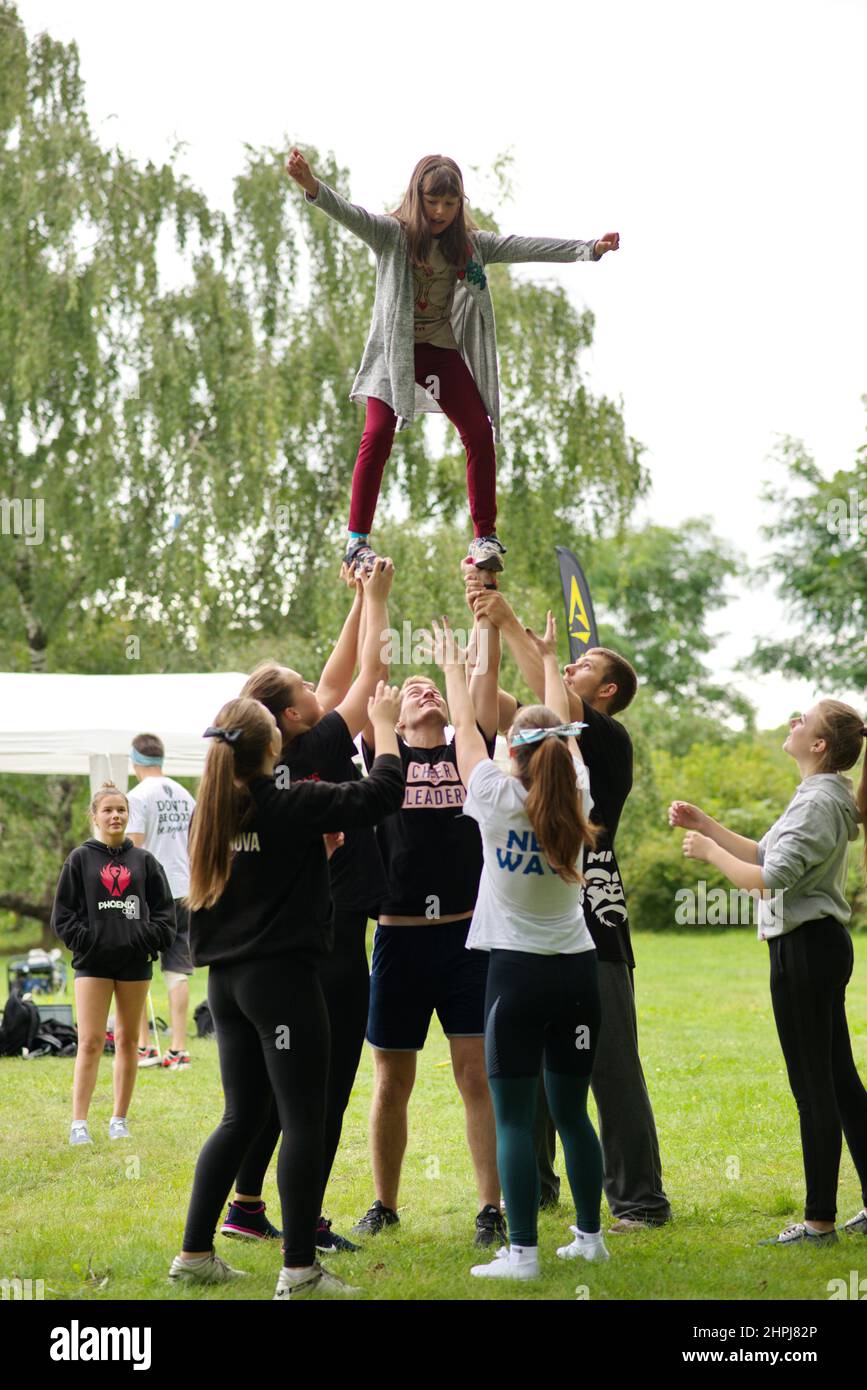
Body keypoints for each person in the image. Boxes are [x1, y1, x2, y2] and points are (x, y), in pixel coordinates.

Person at [168, 685, 405, 1299]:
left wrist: (313, 855)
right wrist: (381, 731)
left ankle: (194, 1254)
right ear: (271, 742)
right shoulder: (287, 799)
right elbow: (379, 795)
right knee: (304, 1119)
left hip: (227, 984)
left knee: (240, 1116)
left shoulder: (214, 808)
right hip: (282, 985)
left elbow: (260, 880)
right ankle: (300, 1270)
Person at [286, 148, 619, 575]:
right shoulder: (393, 235)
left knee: (479, 431)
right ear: (417, 196)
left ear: (460, 203)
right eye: (432, 202)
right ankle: (356, 542)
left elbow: (522, 247)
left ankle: (485, 535)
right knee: (378, 433)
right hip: (395, 354)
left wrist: (589, 248)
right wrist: (312, 186)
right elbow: (352, 215)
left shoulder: (470, 246)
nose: (440, 211)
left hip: (438, 351)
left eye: (449, 203)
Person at [467, 575, 671, 1232]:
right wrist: (480, 631)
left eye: (581, 666)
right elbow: (491, 704)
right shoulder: (542, 742)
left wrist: (507, 618)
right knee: (526, 1071)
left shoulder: (604, 739)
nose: (565, 667)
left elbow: (547, 697)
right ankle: (540, 1185)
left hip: (595, 931)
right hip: (531, 935)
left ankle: (639, 1200)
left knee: (609, 1067)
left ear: (604, 692)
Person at [220, 558, 394, 1253]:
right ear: (290, 714)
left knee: (271, 1087)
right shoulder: (318, 742)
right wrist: (378, 597)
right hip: (334, 932)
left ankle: (246, 1205)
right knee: (325, 1088)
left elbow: (333, 675)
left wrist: (357, 601)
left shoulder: (277, 749)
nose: (315, 684)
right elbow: (365, 678)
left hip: (281, 941)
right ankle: (307, 1224)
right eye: (301, 688)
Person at [433, 612, 610, 1279]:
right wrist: (543, 659)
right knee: (570, 1110)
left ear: (515, 747)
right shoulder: (578, 792)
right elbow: (566, 738)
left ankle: (523, 1254)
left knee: (513, 1119)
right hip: (577, 972)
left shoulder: (493, 794)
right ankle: (589, 1237)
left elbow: (465, 739)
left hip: (515, 976)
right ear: (562, 749)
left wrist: (456, 666)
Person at [670, 699, 867, 1245]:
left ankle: (818, 1222)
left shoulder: (819, 803)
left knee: (815, 1089)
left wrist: (709, 853)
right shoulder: (819, 796)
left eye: (803, 720)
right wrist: (706, 824)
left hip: (804, 950)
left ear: (821, 746)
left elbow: (768, 879)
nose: (792, 723)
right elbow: (762, 851)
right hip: (815, 946)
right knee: (841, 1083)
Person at [350, 588, 505, 1246]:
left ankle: (490, 1209)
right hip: (399, 942)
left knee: (475, 1073)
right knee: (391, 1079)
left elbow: (486, 677)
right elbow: (367, 673)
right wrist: (370, 597)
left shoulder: (467, 750)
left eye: (432, 687)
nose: (423, 692)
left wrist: (483, 619)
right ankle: (384, 1204)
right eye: (411, 688)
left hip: (466, 939)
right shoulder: (377, 753)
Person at [50, 782, 176, 1146]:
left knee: (127, 1040)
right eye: (107, 810)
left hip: (134, 964)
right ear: (95, 817)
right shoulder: (79, 859)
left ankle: (119, 1119)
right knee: (89, 1041)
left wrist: (141, 940)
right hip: (93, 964)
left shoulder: (145, 861)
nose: (115, 816)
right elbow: (63, 916)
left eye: (120, 810)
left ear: (128, 815)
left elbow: (166, 915)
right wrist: (92, 942)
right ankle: (79, 1123)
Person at [126, 733, 197, 1071]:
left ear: (135, 761)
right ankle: (179, 1049)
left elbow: (134, 848)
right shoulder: (184, 794)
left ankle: (143, 1046)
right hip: (184, 889)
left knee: (137, 966)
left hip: (150, 892)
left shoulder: (137, 796)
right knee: (177, 969)